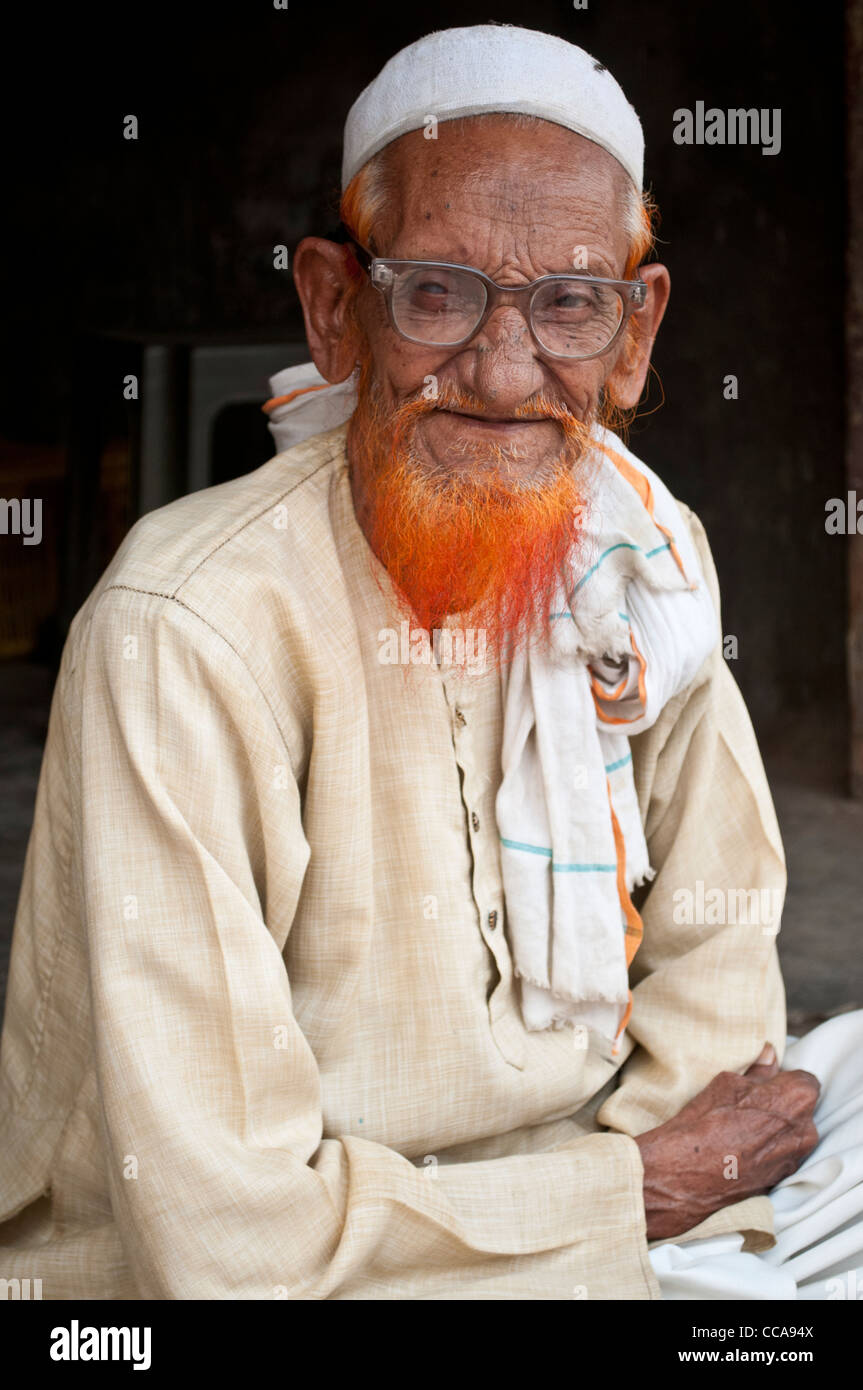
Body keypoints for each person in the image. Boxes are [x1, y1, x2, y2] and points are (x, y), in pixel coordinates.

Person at [2, 23, 851, 1302]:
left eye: (569, 301)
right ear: (337, 309)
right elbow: (228, 1240)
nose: (506, 373)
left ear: (632, 336)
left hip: (620, 1218)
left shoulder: (643, 571)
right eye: (439, 292)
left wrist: (668, 1213)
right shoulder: (185, 628)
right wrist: (634, 1195)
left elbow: (717, 964)